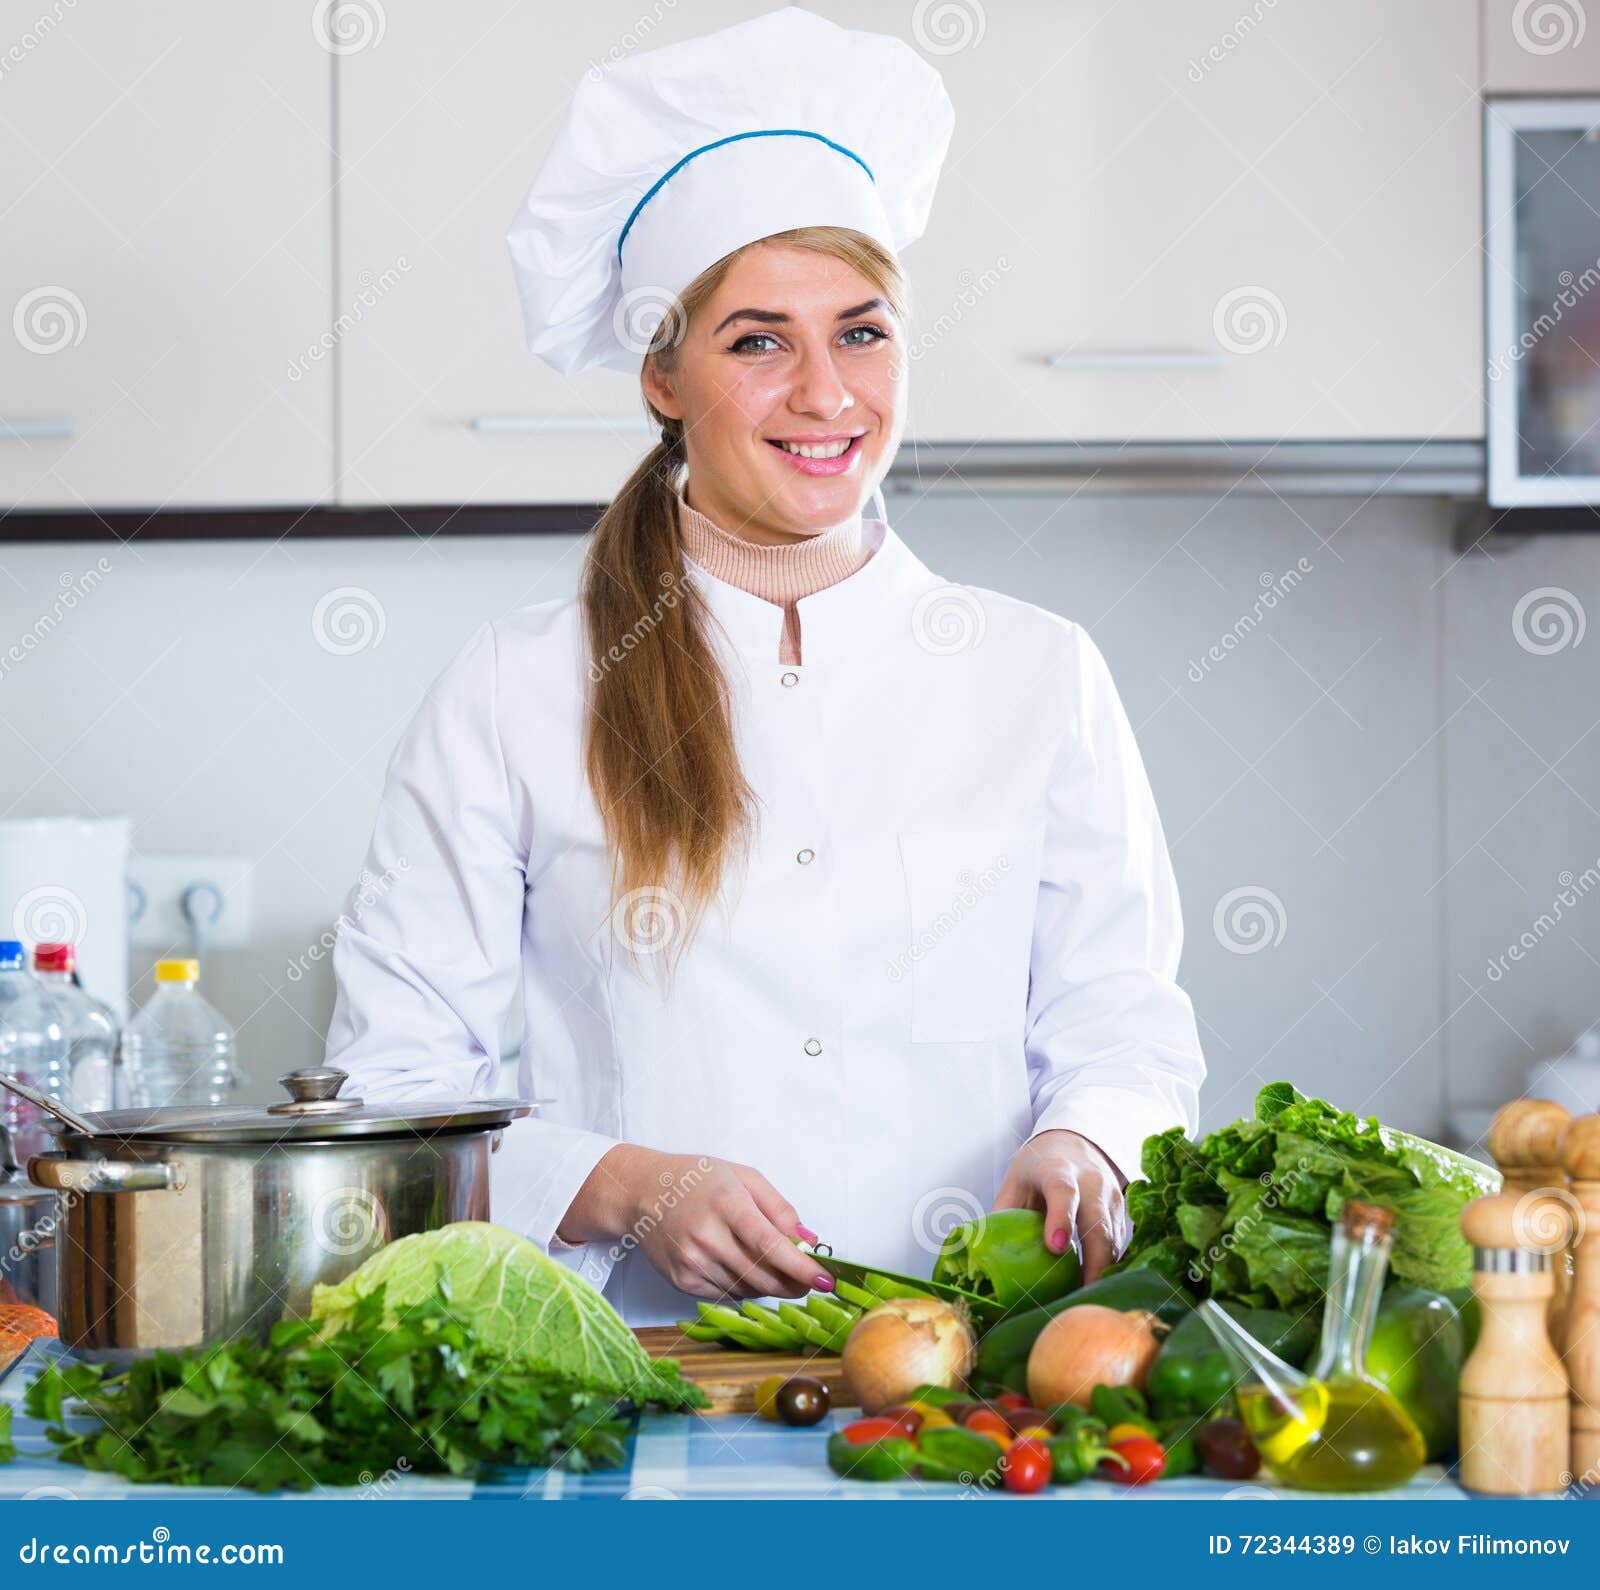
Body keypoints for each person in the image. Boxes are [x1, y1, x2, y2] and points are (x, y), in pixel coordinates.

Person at [325, 7, 1204, 1327]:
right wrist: (624, 1184)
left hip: (965, 1392)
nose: (825, 392)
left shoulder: (1042, 673)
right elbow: (384, 1099)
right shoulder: (513, 689)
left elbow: (1124, 1026)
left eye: (862, 331)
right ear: (663, 377)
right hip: (630, 1390)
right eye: (756, 340)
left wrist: (1089, 1138)